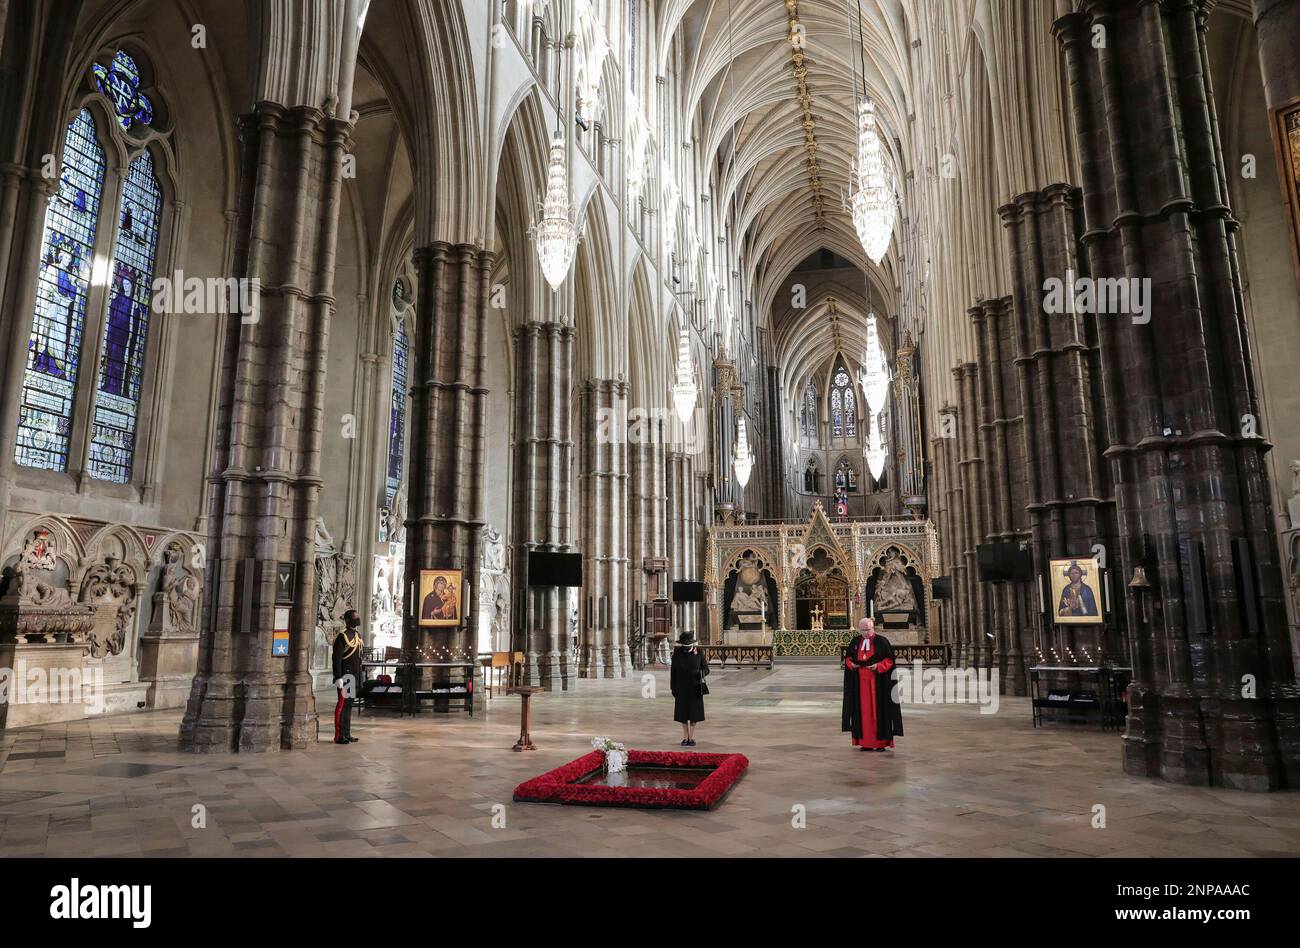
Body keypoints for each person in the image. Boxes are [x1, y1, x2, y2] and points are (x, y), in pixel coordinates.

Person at [842, 617, 903, 751]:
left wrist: (878, 666)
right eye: (863, 630)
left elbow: (890, 660)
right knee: (862, 713)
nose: (865, 633)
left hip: (879, 685)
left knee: (879, 713)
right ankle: (865, 742)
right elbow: (848, 658)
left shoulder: (882, 641)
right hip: (860, 686)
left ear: (873, 628)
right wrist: (852, 664)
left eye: (868, 630)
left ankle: (881, 743)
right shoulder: (855, 641)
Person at [670, 631, 710, 746]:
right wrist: (672, 688)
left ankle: (691, 737)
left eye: (688, 643)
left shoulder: (699, 653)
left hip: (695, 688)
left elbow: (706, 669)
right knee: (682, 714)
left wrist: (699, 672)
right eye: (684, 644)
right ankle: (685, 737)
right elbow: (673, 672)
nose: (686, 646)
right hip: (681, 688)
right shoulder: (677, 653)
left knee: (694, 714)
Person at [332, 609, 364, 745]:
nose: (358, 619)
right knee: (343, 704)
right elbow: (336, 658)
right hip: (345, 676)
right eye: (355, 617)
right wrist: (338, 676)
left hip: (354, 675)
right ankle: (339, 736)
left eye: (358, 616)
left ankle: (347, 733)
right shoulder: (342, 636)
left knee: (349, 705)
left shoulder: (356, 635)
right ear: (348, 620)